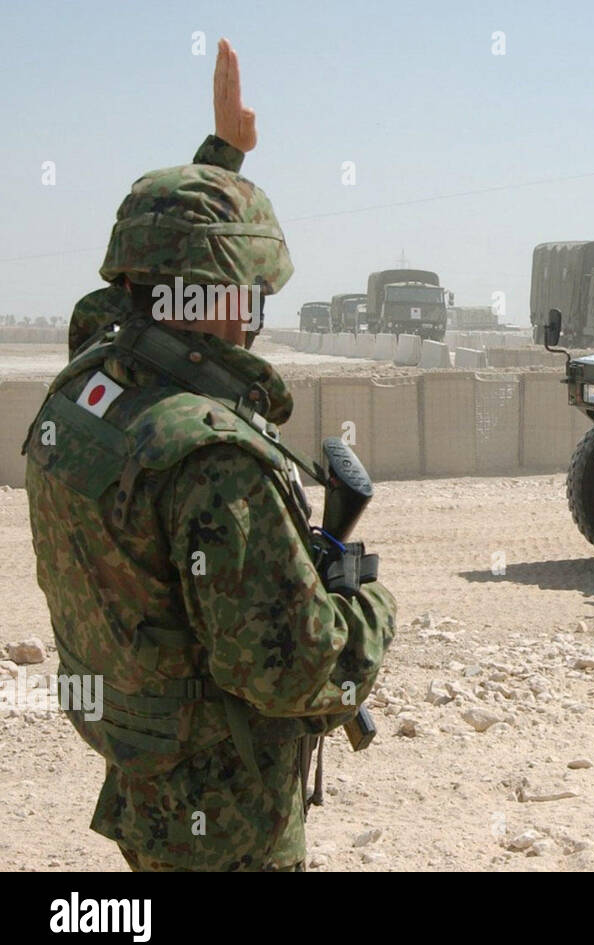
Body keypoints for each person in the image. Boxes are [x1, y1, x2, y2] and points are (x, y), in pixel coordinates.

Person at [24, 39, 396, 872]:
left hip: (144, 762)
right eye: (251, 292)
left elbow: (155, 269)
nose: (256, 312)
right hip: (224, 808)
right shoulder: (211, 459)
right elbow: (293, 671)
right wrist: (372, 613)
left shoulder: (91, 388)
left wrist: (222, 159)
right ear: (221, 297)